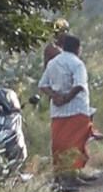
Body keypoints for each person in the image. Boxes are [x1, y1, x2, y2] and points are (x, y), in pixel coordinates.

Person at [39, 27, 95, 183]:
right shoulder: (77, 63)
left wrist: (55, 96)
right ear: (77, 48)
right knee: (77, 142)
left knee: (59, 143)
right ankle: (71, 175)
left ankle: (63, 175)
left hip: (58, 111)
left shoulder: (53, 63)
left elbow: (43, 85)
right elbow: (79, 85)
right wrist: (67, 98)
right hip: (77, 108)